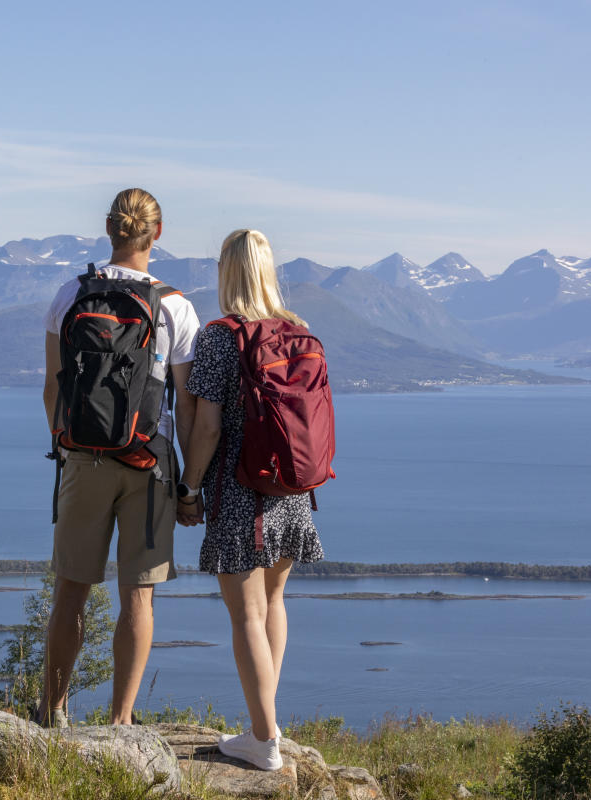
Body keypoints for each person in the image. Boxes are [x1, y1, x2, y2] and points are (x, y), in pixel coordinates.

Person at [38, 187, 201, 727]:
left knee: (70, 592)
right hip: (148, 466)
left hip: (82, 459)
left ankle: (53, 714)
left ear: (109, 230)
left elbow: (51, 391)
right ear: (157, 235)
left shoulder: (69, 295)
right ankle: (120, 723)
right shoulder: (175, 306)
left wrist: (71, 448)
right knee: (139, 598)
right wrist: (191, 485)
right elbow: (185, 406)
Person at [176, 229, 325, 770]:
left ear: (227, 272)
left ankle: (263, 740)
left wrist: (188, 489)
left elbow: (208, 426)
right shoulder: (298, 332)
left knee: (245, 616)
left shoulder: (222, 337)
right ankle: (264, 725)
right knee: (273, 604)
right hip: (292, 490)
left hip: (239, 491)